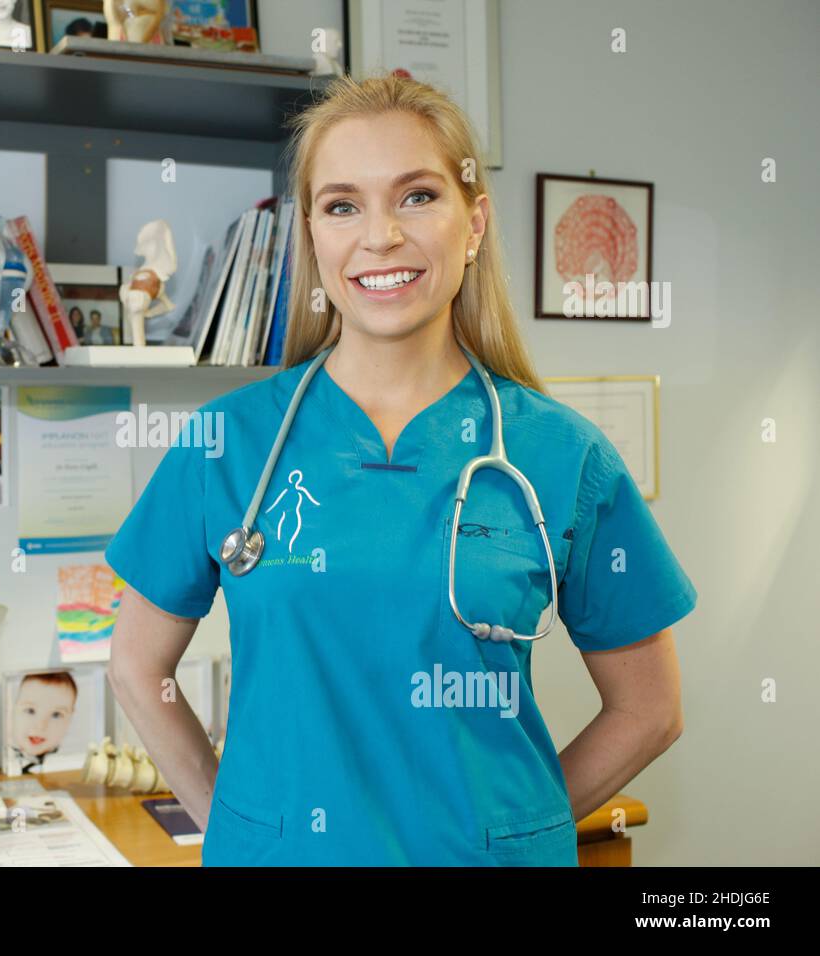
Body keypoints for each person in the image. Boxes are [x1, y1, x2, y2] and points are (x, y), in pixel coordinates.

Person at [103, 73, 697, 867]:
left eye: (417, 196)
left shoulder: (564, 457)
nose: (378, 235)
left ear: (474, 222)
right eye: (342, 204)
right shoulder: (228, 442)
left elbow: (650, 709)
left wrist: (521, 826)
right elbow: (139, 669)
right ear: (313, 235)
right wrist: (238, 827)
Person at [9, 671, 77, 774]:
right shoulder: (9, 759)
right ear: (11, 710)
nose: (40, 726)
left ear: (70, 720)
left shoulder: (70, 762)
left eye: (56, 715)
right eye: (30, 711)